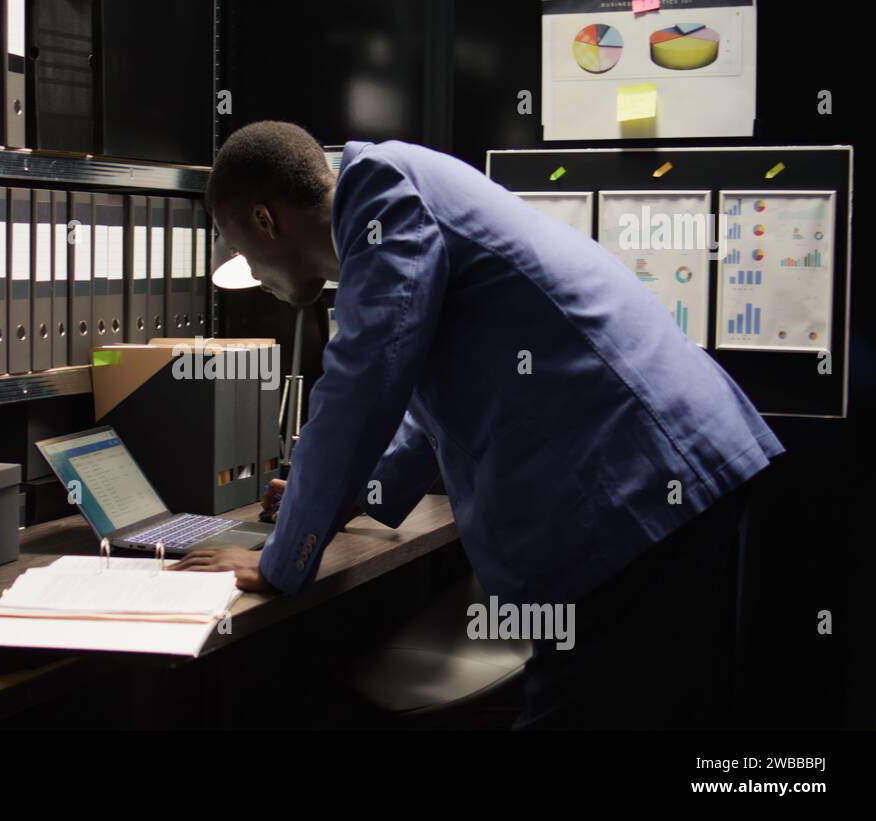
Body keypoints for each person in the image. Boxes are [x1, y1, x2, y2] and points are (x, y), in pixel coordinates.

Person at [168, 121, 783, 728]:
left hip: (646, 486)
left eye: (242, 250)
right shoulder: (398, 185)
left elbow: (362, 384)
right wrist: (341, 499)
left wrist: (283, 560)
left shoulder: (381, 192)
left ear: (264, 220)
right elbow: (417, 412)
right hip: (668, 475)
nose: (249, 269)